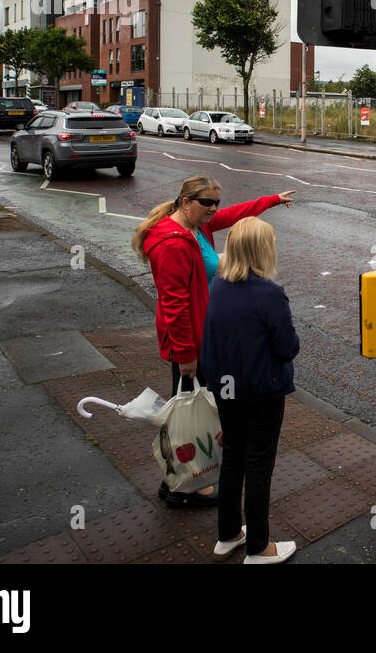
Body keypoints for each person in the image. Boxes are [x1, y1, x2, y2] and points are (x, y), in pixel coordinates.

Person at [132, 175, 295, 507]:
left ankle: (183, 481)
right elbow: (174, 304)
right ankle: (180, 487)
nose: (213, 209)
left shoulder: (197, 227)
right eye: (206, 202)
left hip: (204, 339)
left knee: (194, 412)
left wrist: (272, 200)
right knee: (189, 417)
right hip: (191, 344)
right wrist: (186, 355)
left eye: (216, 202)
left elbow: (235, 213)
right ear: (186, 201)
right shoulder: (173, 244)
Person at [200, 217, 299, 564]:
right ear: (262, 248)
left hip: (226, 388)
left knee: (234, 459)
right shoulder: (269, 293)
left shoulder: (218, 284)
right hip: (261, 390)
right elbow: (287, 347)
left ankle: (228, 534)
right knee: (259, 465)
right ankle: (259, 547)